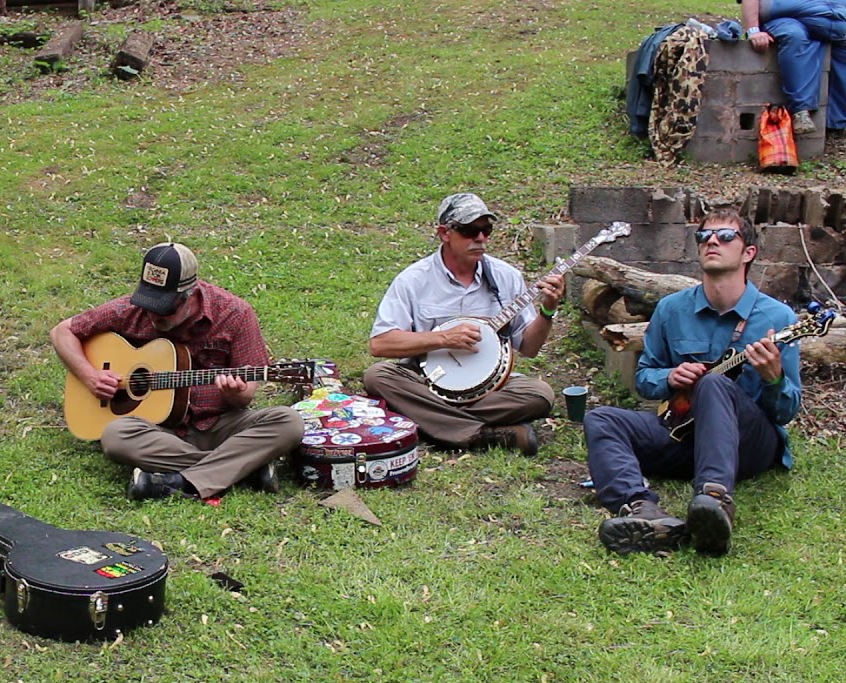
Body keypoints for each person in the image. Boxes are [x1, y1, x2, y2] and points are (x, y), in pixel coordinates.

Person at [586, 208, 801, 557]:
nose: (712, 241)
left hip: (749, 444)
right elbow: (644, 378)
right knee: (602, 419)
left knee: (713, 385)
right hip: (686, 435)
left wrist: (773, 378)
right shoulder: (671, 309)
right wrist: (669, 377)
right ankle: (643, 511)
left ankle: (714, 502)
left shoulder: (779, 318)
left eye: (726, 236)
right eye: (704, 236)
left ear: (748, 253)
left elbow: (786, 412)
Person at [50, 242, 304, 501]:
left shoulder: (235, 314)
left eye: (164, 308)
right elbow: (63, 331)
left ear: (191, 295)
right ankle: (244, 469)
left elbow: (246, 395)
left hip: (220, 425)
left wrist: (234, 394)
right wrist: (90, 376)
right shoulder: (132, 310)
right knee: (116, 436)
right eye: (148, 303)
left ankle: (178, 480)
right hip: (159, 431)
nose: (152, 316)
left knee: (289, 423)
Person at [362, 192, 564, 456]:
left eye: (486, 230)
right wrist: (443, 339)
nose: (480, 239)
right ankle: (483, 435)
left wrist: (548, 311)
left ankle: (427, 420)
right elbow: (380, 343)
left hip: (489, 387)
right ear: (445, 233)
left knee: (540, 394)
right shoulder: (413, 280)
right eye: (470, 231)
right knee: (377, 376)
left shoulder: (506, 277)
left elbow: (528, 347)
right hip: (427, 381)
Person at [741, 0, 846, 134]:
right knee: (795, 35)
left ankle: (837, 122)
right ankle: (801, 111)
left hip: (832, 15)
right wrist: (753, 30)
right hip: (787, 15)